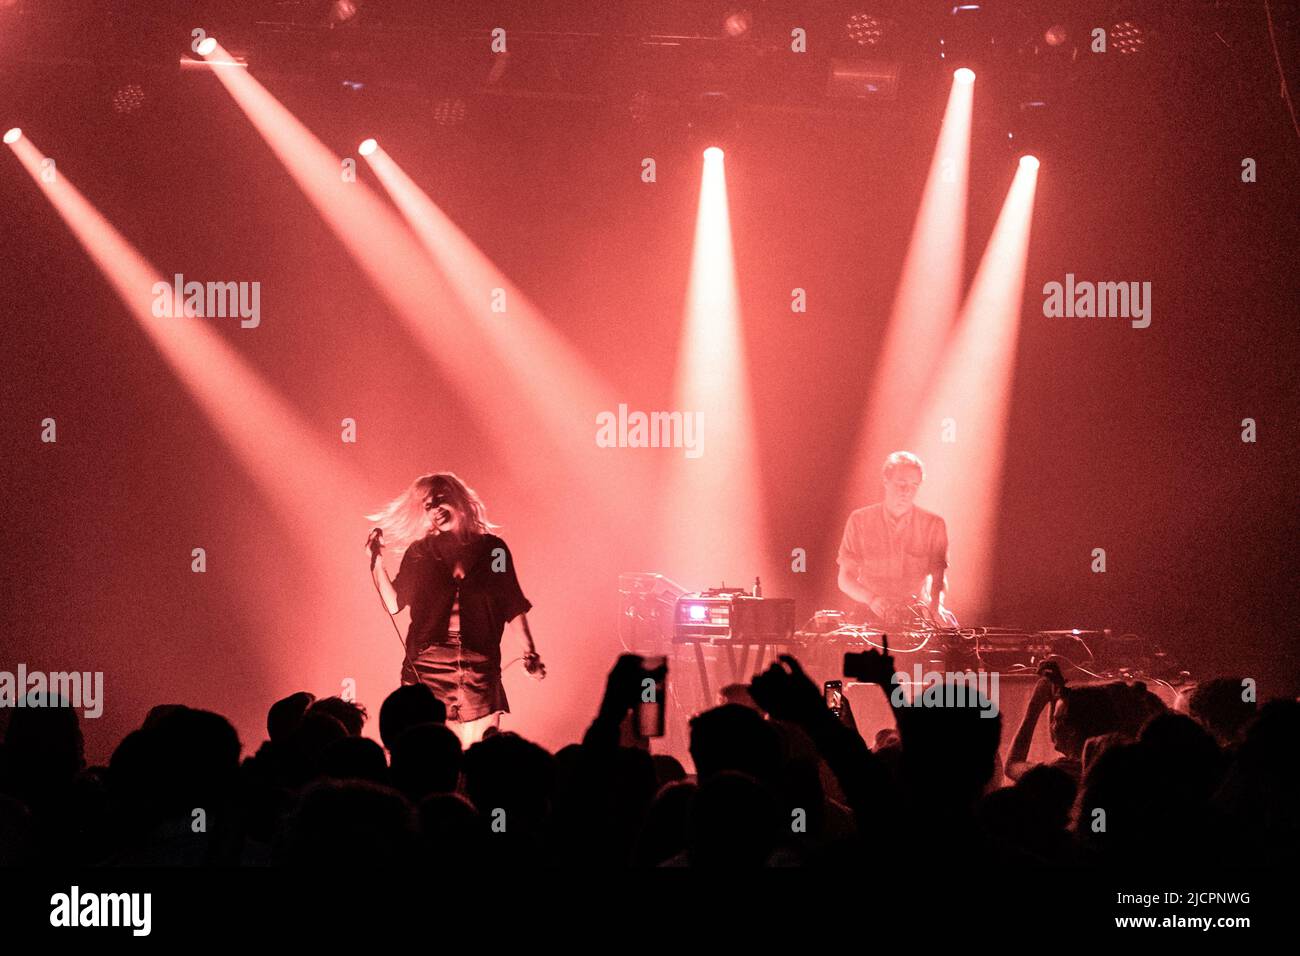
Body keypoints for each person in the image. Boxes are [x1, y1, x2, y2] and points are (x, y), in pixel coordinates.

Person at [366, 472, 544, 747]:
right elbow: (393, 604)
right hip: (427, 665)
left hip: (479, 665)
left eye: (440, 498)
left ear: (459, 499)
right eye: (427, 505)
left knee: (480, 754)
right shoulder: (420, 553)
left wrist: (529, 652)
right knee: (426, 751)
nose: (435, 507)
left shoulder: (493, 551)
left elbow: (510, 601)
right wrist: (377, 560)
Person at [836, 451, 952, 626]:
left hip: (915, 616)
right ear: (886, 481)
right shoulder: (859, 520)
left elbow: (938, 577)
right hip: (869, 614)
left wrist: (936, 607)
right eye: (901, 484)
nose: (907, 491)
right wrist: (872, 599)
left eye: (914, 485)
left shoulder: (934, 525)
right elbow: (845, 578)